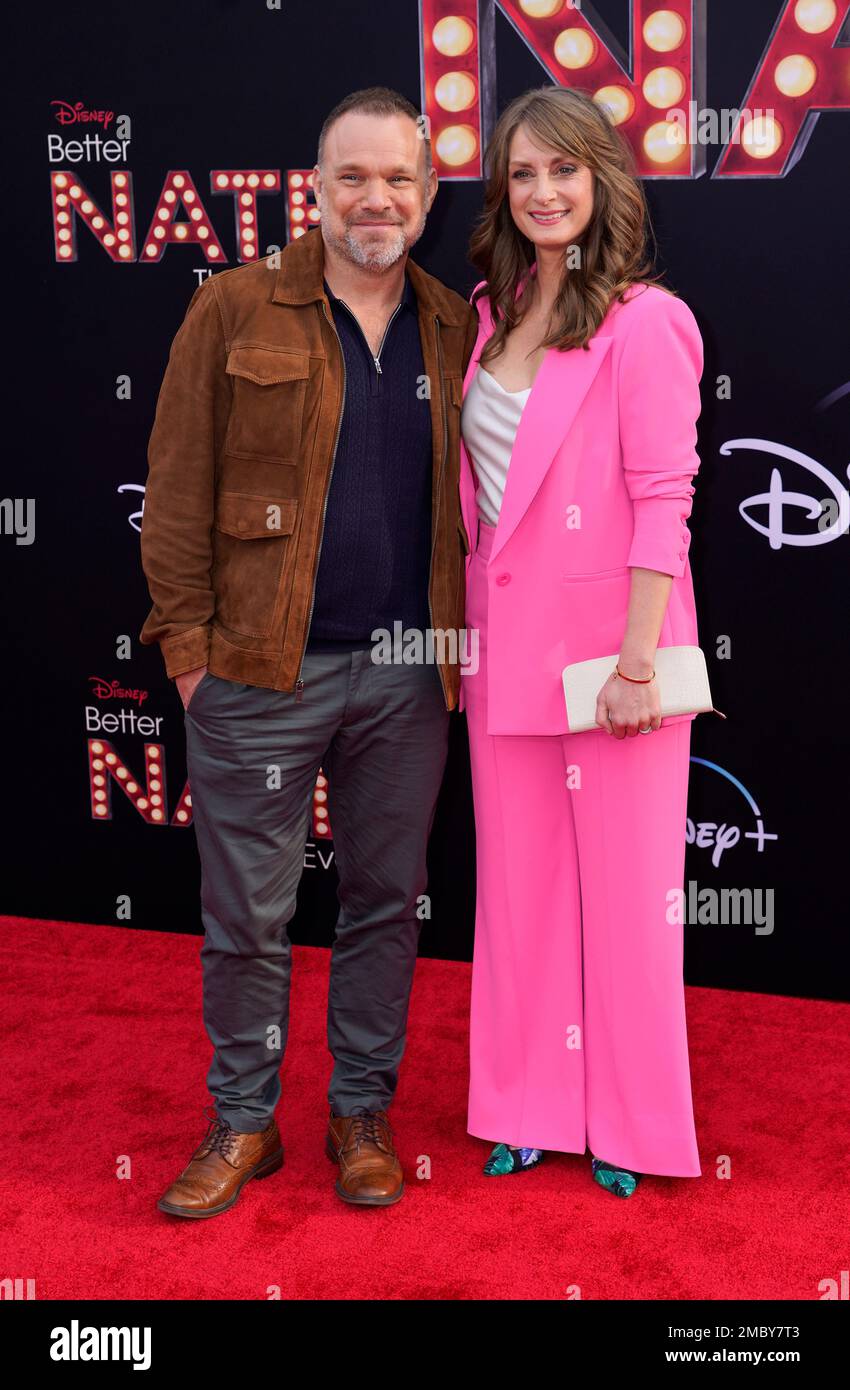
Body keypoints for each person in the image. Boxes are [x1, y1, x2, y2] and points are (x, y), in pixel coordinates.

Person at [139, 87, 477, 1216]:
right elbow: (176, 493)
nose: (374, 197)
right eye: (351, 176)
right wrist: (192, 657)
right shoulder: (234, 308)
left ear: (426, 197)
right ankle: (243, 1122)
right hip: (256, 673)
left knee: (386, 902)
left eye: (397, 179)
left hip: (407, 678)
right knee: (249, 916)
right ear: (316, 189)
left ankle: (360, 1112)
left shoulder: (452, 322)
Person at [457, 86, 705, 1196]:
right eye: (522, 173)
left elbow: (663, 497)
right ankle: (525, 1105)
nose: (544, 191)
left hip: (616, 658)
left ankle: (632, 1126)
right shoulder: (488, 314)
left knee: (628, 905)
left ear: (601, 180)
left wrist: (640, 665)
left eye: (565, 169)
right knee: (518, 901)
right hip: (502, 650)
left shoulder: (644, 319)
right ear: (504, 194)